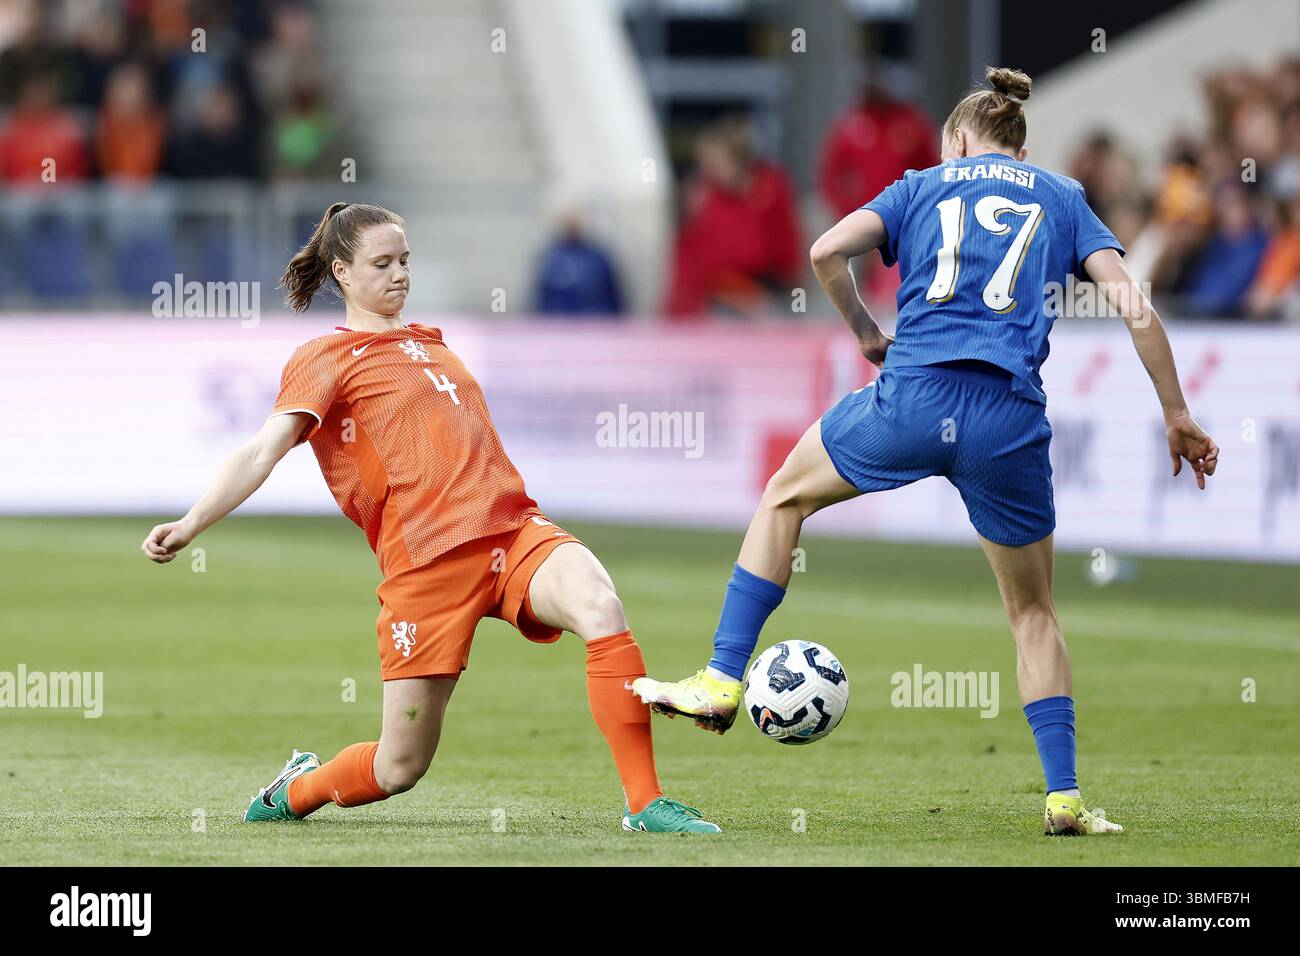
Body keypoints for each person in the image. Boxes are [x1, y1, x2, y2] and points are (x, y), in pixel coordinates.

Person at [634, 68, 1219, 837]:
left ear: (957, 140)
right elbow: (1134, 305)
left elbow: (824, 253)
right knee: (1034, 613)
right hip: (1006, 420)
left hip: (914, 398)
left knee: (783, 497)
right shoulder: (1062, 196)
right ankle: (1065, 800)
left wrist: (869, 336)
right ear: (1021, 144)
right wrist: (1176, 411)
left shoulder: (922, 186)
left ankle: (719, 678)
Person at [141, 202, 719, 834]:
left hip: (511, 531)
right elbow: (260, 450)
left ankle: (645, 804)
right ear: (341, 271)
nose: (399, 275)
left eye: (405, 261)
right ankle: (299, 789)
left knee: (601, 607)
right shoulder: (324, 359)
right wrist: (192, 523)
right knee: (398, 768)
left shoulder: (430, 344)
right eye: (381, 263)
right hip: (427, 565)